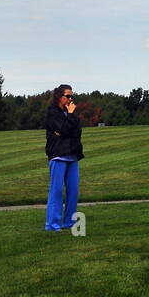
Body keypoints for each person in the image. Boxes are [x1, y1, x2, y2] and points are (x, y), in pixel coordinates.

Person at [44, 83, 84, 231]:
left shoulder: (70, 113)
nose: (70, 99)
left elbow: (76, 132)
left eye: (72, 96)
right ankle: (53, 225)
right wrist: (70, 121)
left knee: (73, 191)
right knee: (56, 191)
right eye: (68, 96)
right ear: (59, 97)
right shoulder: (52, 113)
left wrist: (69, 122)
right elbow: (65, 129)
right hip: (58, 156)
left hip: (72, 155)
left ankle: (69, 222)